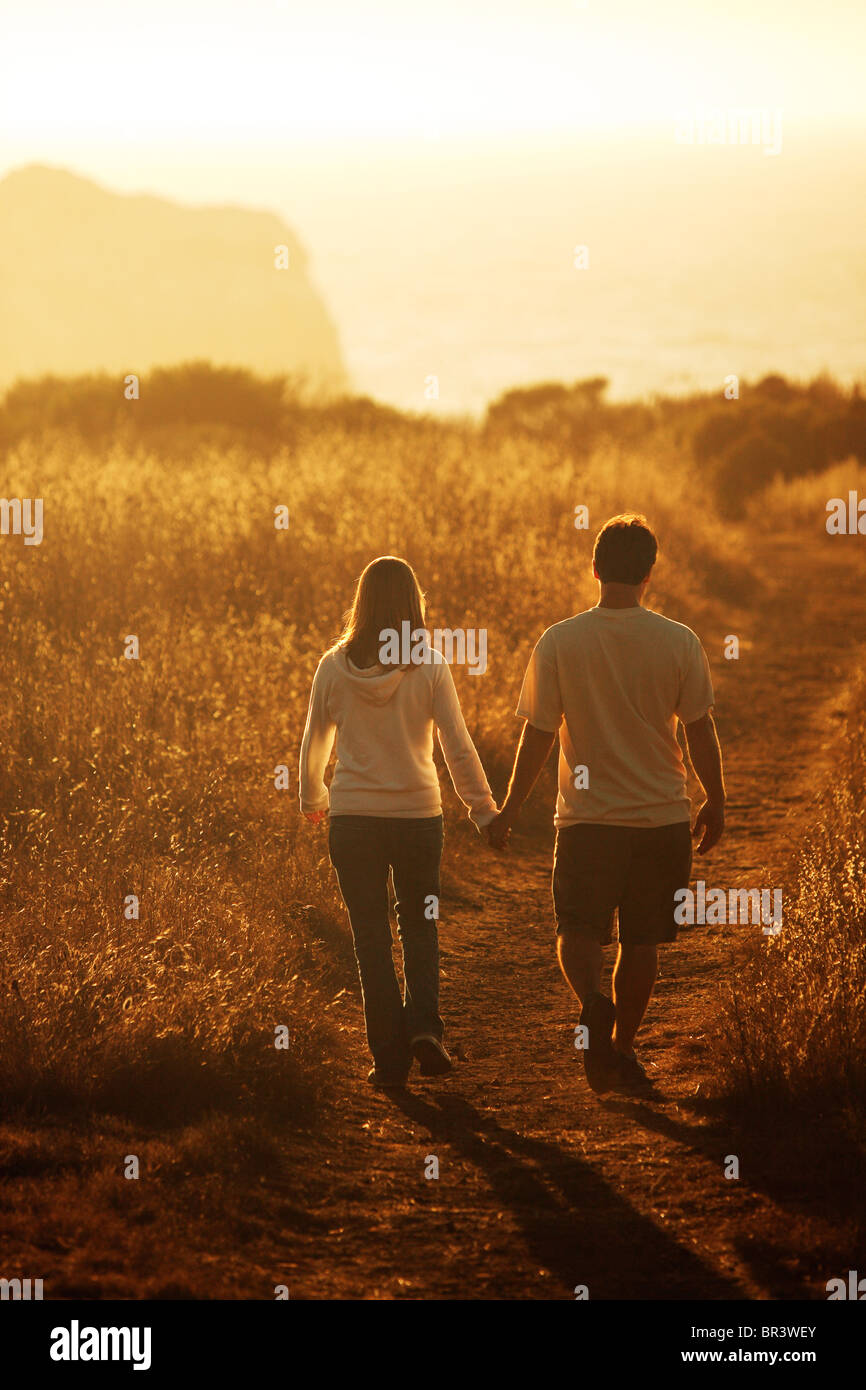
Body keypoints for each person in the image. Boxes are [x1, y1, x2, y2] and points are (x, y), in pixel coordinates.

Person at [487, 514, 725, 1097]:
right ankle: (621, 1047)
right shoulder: (679, 640)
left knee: (578, 928)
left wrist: (511, 807)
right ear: (649, 573)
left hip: (588, 821)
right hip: (662, 816)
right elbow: (699, 729)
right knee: (643, 941)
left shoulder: (560, 640)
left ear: (594, 568)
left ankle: (593, 1003)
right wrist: (715, 798)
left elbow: (538, 734)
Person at [299, 555, 498, 1090]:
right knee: (419, 924)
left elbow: (316, 738)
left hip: (354, 819)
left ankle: (387, 1055)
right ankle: (425, 1030)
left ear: (361, 605)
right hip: (416, 816)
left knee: (369, 937)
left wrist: (311, 794)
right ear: (414, 605)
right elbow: (456, 745)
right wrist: (483, 811)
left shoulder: (333, 666)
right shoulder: (428, 664)